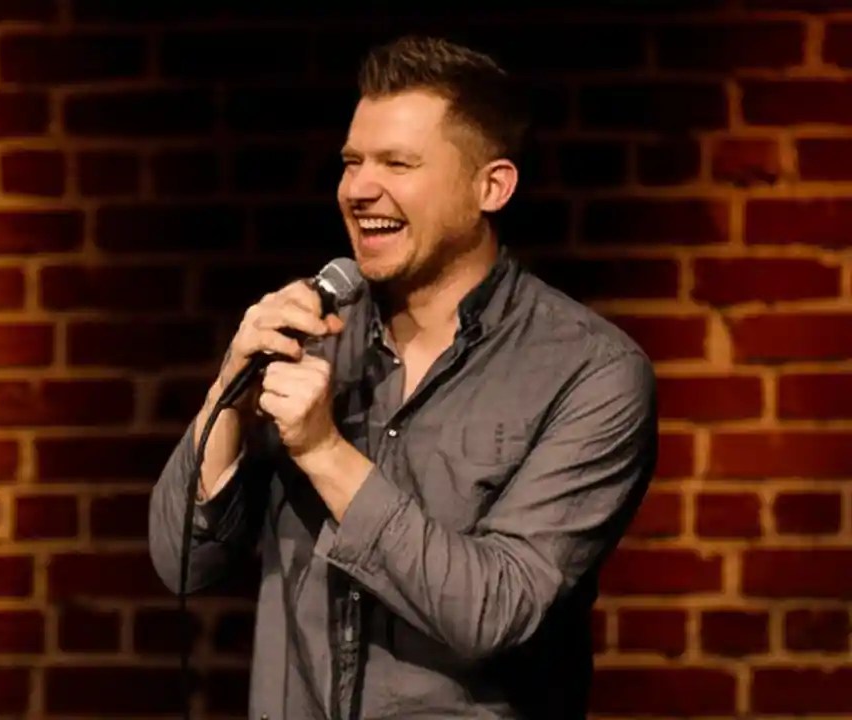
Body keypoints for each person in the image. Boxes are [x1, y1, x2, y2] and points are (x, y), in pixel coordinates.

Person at [148, 33, 657, 720]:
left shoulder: (590, 372)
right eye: (352, 162)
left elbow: (495, 611)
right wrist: (229, 393)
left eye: (398, 162)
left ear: (492, 186)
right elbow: (182, 562)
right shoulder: (309, 334)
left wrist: (325, 453)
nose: (360, 188)